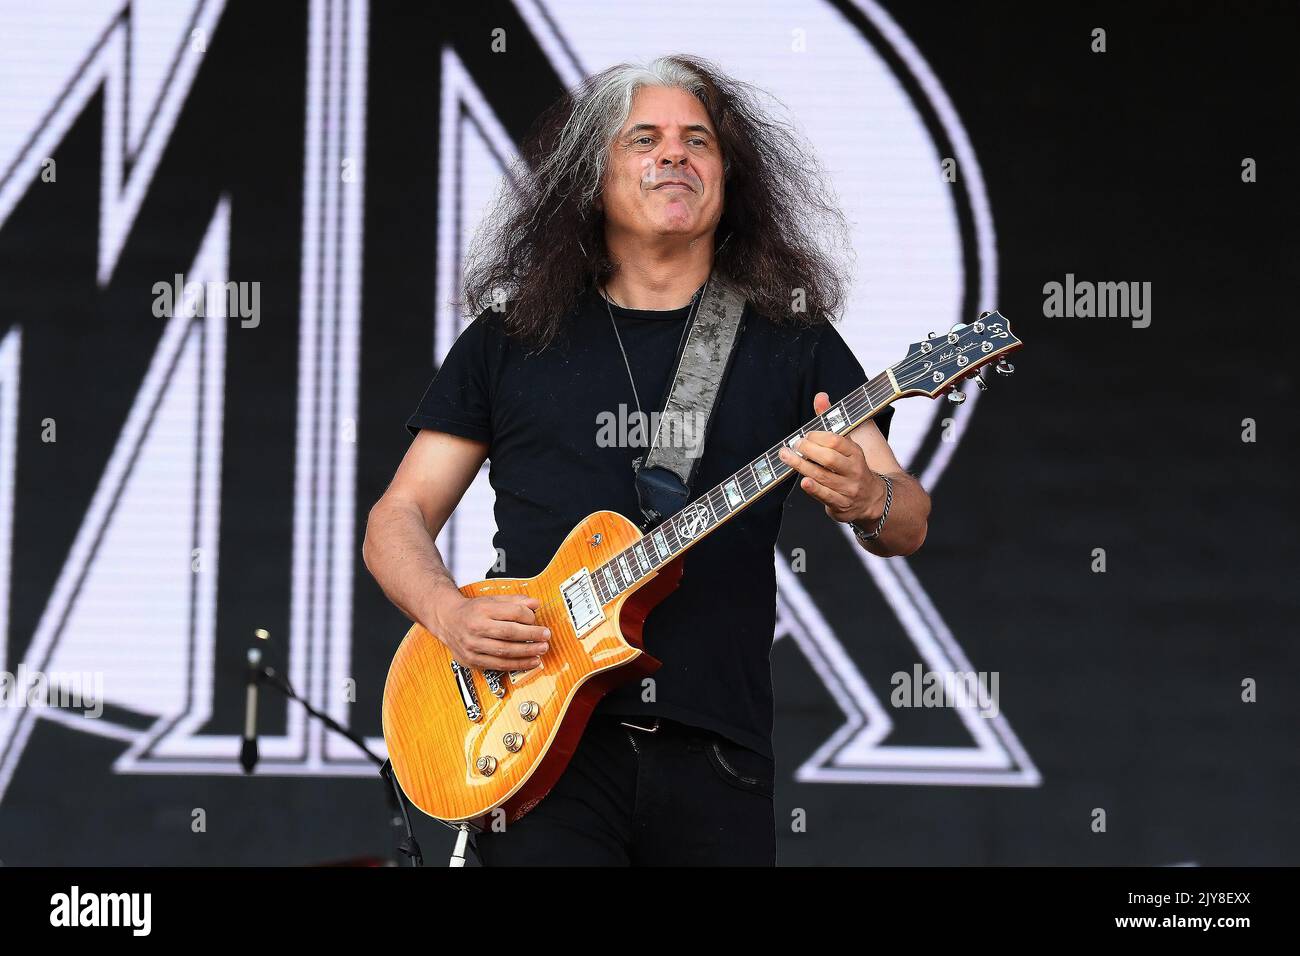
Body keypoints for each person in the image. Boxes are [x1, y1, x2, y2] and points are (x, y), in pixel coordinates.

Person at [363, 54, 930, 866]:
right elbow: (396, 518)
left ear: (729, 180)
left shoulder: (790, 340)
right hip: (535, 742)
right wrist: (450, 615)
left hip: (716, 750)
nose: (675, 155)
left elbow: (905, 521)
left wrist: (867, 496)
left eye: (698, 141)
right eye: (646, 139)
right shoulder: (511, 339)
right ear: (592, 180)